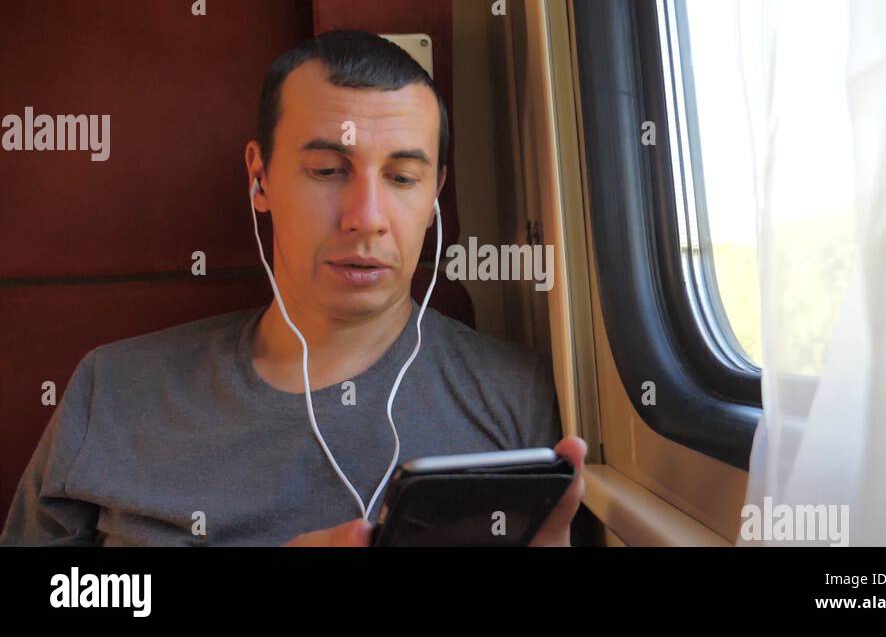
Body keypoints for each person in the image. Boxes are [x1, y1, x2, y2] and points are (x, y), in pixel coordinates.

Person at [0, 30, 586, 547]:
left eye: (403, 178)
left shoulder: (513, 396)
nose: (366, 218)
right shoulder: (115, 387)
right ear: (260, 178)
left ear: (435, 195)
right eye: (327, 171)